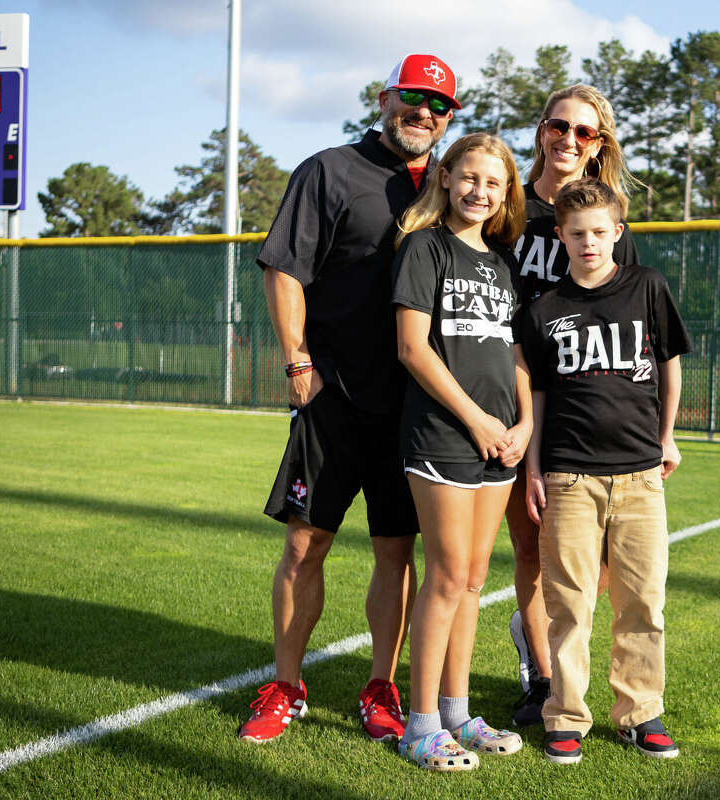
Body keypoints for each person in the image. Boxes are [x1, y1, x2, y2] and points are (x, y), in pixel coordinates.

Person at [238, 54, 460, 744]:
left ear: (450, 118)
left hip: (414, 407)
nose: (422, 112)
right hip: (333, 391)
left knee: (397, 553)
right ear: (385, 96)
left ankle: (380, 687)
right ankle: (285, 684)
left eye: (438, 105)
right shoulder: (329, 170)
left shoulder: (453, 188)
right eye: (411, 97)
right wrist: (299, 361)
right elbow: (283, 268)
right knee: (305, 545)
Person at [521, 179, 692, 765]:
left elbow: (668, 367)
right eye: (576, 234)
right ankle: (567, 716)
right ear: (561, 237)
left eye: (599, 232)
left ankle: (640, 713)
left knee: (642, 601)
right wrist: (535, 469)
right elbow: (538, 398)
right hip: (570, 477)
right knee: (569, 605)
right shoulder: (544, 310)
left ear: (617, 232)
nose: (588, 242)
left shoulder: (647, 287)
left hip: (641, 476)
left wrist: (667, 436)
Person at [391, 132, 531, 772]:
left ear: (507, 195)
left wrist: (522, 424)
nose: (480, 191)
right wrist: (476, 420)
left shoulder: (503, 263)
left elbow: (515, 356)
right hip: (445, 437)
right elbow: (413, 349)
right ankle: (419, 725)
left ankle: (456, 711)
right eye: (469, 177)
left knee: (474, 581)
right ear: (446, 178)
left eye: (494, 183)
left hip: (499, 443)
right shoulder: (425, 247)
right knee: (446, 578)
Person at [507, 84, 641, 727]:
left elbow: (631, 320)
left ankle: (600, 681)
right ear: (540, 129)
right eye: (558, 125)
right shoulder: (505, 205)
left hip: (589, 413)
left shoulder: (608, 218)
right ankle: (542, 677)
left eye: (585, 132)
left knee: (608, 569)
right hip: (511, 398)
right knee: (531, 552)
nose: (568, 139)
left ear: (600, 144)